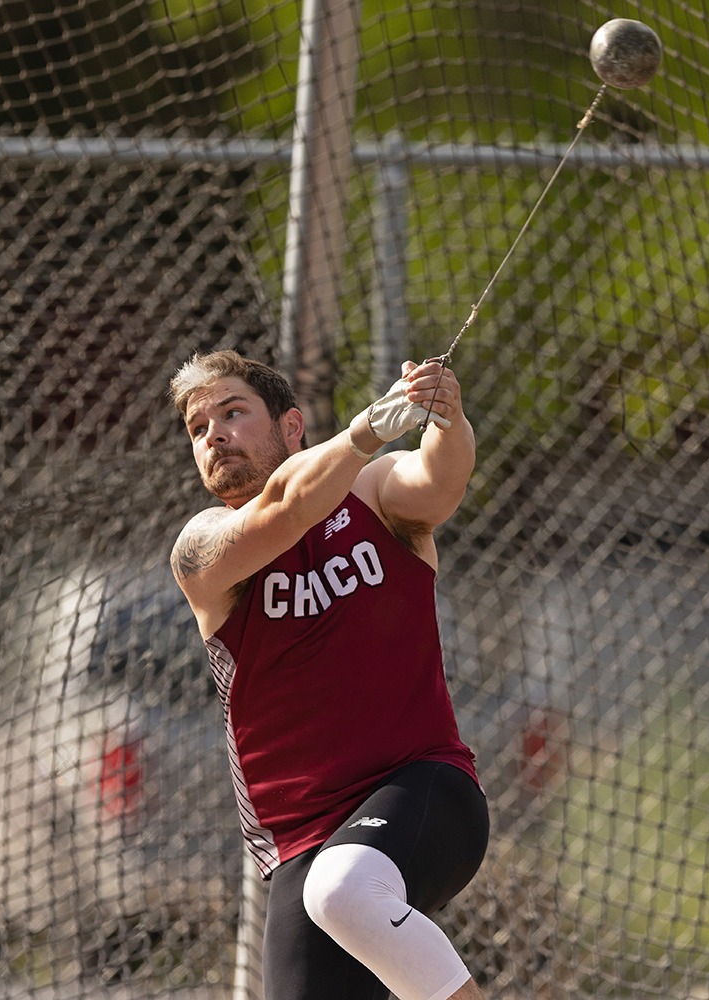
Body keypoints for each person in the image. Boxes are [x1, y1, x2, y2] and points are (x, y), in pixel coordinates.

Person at [167, 351, 489, 1000]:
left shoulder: (373, 491)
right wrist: (368, 427)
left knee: (345, 889)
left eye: (233, 412)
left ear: (293, 428)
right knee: (333, 890)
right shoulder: (204, 547)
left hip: (422, 786)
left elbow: (438, 482)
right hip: (301, 844)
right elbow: (283, 510)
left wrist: (447, 420)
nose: (215, 435)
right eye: (199, 429)